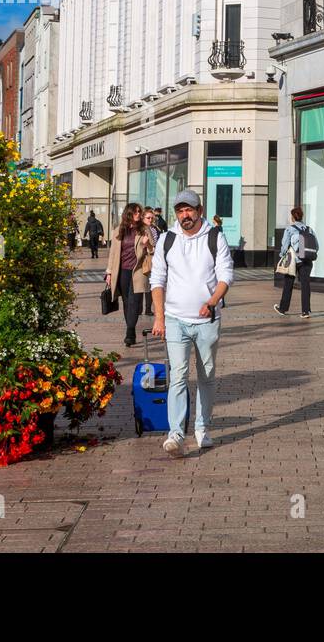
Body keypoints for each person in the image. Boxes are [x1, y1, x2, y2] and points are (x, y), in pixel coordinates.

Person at [150, 189, 234, 456]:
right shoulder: (166, 239)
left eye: (189, 210)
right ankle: (175, 434)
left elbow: (226, 276)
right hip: (175, 320)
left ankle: (202, 427)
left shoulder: (214, 237)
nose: (185, 215)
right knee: (178, 376)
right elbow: (157, 280)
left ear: (199, 210)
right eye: (180, 211)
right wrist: (160, 317)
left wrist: (212, 301)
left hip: (207, 320)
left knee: (206, 376)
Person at [105, 203, 149, 347]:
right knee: (126, 301)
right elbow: (113, 253)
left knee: (135, 302)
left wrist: (146, 244)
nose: (138, 214)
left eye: (139, 212)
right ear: (129, 213)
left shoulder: (144, 230)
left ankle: (130, 331)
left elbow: (154, 251)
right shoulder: (119, 230)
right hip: (122, 271)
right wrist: (109, 272)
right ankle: (130, 329)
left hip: (138, 272)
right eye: (135, 212)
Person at [275, 206, 314, 319]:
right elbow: (316, 244)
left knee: (288, 284)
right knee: (306, 285)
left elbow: (285, 246)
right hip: (307, 259)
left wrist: (282, 256)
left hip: (294, 260)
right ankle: (306, 311)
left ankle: (283, 308)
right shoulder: (309, 229)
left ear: (293, 217)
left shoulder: (290, 229)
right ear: (302, 217)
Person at [142, 208, 160, 316]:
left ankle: (148, 308)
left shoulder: (154, 228)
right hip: (146, 258)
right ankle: (142, 308)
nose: (150, 219)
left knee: (150, 284)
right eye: (148, 218)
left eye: (152, 218)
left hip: (154, 258)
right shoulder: (142, 229)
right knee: (144, 284)